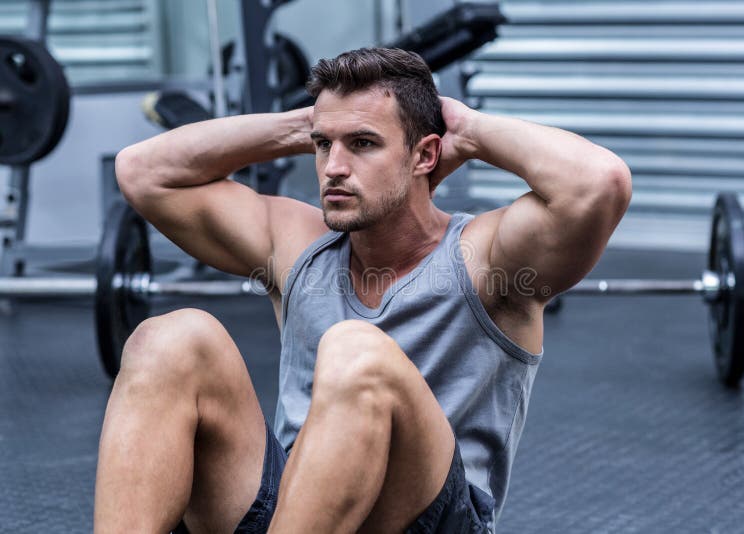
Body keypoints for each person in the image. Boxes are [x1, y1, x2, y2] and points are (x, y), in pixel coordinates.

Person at [94, 47, 631, 533]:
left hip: (427, 518)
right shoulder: (297, 244)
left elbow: (598, 182)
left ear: (425, 156)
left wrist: (466, 129)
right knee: (169, 340)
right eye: (324, 146)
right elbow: (142, 171)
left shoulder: (488, 259)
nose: (333, 168)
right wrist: (303, 125)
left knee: (357, 353)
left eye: (363, 144)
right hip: (296, 510)